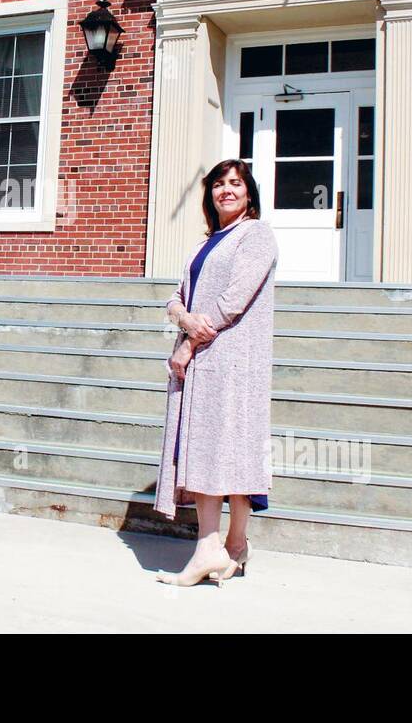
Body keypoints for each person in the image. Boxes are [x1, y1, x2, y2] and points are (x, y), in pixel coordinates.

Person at [153, 158, 278, 587]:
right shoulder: (207, 242)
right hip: (208, 355)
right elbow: (176, 297)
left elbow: (234, 300)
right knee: (219, 448)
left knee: (225, 448)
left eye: (236, 184)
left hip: (233, 361)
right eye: (219, 184)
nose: (227, 190)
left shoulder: (255, 235)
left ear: (249, 193)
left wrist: (188, 344)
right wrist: (182, 319)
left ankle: (216, 547)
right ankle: (230, 548)